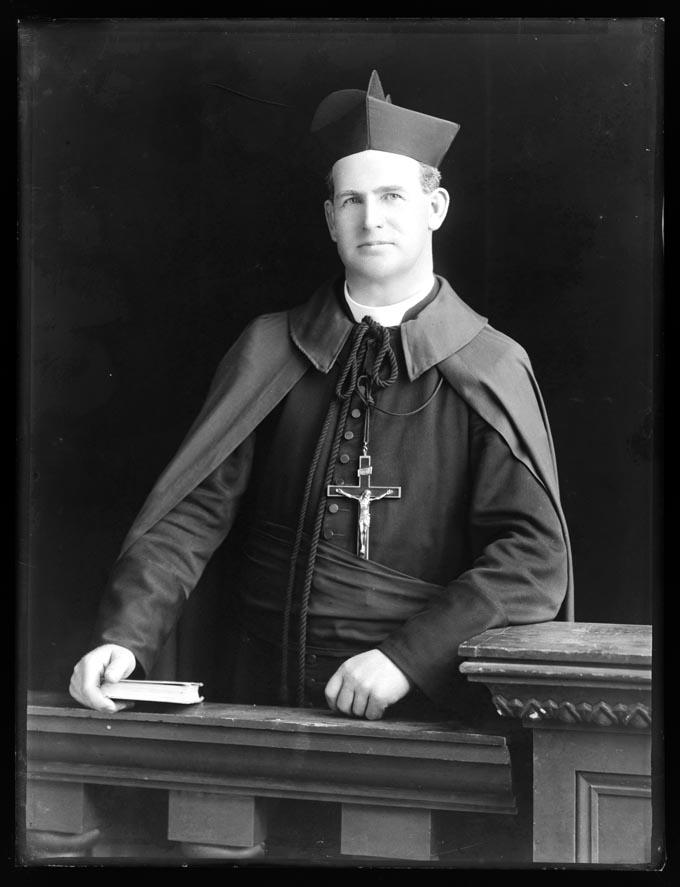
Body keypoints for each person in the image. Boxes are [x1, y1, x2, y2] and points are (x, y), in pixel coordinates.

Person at [69, 70, 572, 725]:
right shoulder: (269, 346)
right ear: (331, 219)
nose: (372, 218)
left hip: (419, 705)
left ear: (436, 208)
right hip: (255, 688)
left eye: (392, 195)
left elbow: (532, 557)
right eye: (353, 200)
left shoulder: (491, 362)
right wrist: (125, 639)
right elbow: (187, 516)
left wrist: (405, 658)